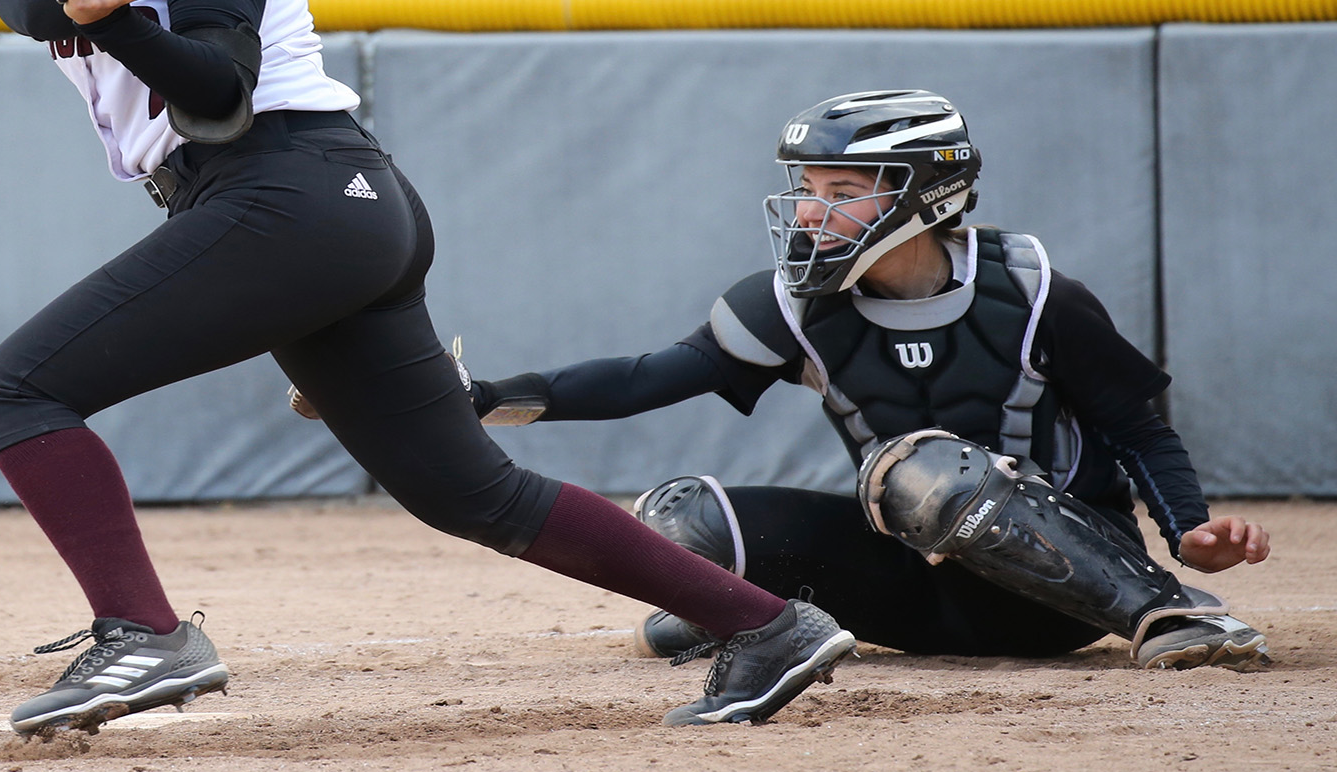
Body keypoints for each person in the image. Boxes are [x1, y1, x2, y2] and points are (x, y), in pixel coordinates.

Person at [0, 0, 854, 736]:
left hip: (290, 192)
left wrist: (127, 18)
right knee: (469, 491)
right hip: (312, 212)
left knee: (18, 390)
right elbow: (24, 0)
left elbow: (218, 92)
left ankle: (144, 635)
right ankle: (768, 629)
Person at [462, 90, 1273, 671]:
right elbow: (645, 379)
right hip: (914, 589)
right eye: (806, 191)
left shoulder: (1031, 292)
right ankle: (753, 620)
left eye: (841, 193)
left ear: (923, 199)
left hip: (1064, 594)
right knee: (685, 518)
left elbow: (1138, 428)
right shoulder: (793, 304)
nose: (811, 213)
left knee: (931, 469)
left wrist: (1190, 533)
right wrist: (490, 398)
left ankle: (1170, 616)